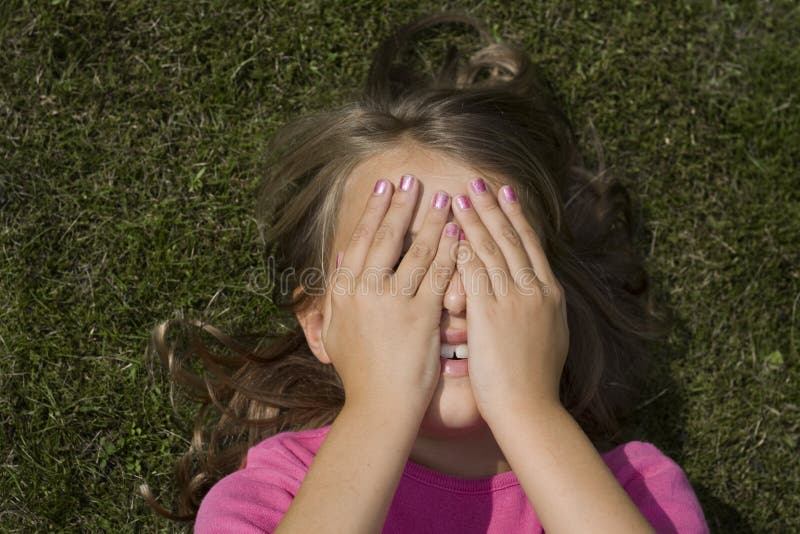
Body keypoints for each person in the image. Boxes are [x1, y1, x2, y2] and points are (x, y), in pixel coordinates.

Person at [141, 11, 709, 533]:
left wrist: (527, 408)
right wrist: (379, 408)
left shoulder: (636, 491)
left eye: (492, 258)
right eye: (400, 266)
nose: (452, 299)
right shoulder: (275, 495)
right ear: (320, 324)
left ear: (550, 304)